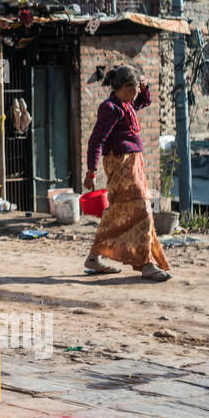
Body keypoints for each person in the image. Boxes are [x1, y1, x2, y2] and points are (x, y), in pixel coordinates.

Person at [82, 65, 171, 281]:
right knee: (143, 208)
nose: (138, 92)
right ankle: (147, 264)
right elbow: (96, 140)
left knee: (119, 212)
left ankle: (94, 258)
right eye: (135, 88)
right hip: (120, 165)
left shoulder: (126, 104)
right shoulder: (110, 108)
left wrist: (145, 86)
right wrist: (91, 171)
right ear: (126, 87)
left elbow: (145, 101)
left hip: (133, 164)